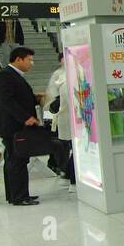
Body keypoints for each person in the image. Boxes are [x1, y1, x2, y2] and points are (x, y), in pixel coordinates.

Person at [0, 46, 42, 206]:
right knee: (17, 160)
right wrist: (26, 117)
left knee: (14, 159)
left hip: (15, 125)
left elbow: (18, 98)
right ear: (18, 59)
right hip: (12, 127)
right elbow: (7, 101)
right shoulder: (5, 76)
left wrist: (35, 98)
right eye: (29, 59)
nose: (31, 63)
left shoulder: (15, 76)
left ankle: (15, 195)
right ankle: (19, 197)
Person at [45, 53, 75, 188]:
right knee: (65, 145)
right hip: (63, 114)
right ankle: (66, 170)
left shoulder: (71, 73)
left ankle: (67, 170)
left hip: (66, 116)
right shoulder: (59, 75)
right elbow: (53, 94)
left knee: (68, 145)